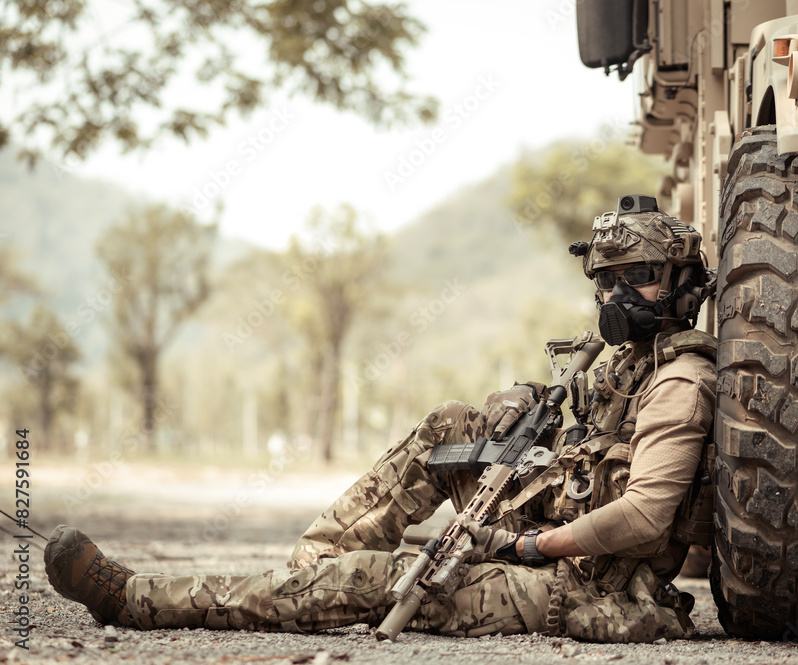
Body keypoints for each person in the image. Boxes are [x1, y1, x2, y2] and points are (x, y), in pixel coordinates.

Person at [44, 194, 717, 643]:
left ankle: (136, 597)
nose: (613, 296)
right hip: (543, 532)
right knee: (453, 424)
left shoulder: (681, 382)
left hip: (577, 581)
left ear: (681, 285)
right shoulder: (625, 362)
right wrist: (516, 409)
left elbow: (644, 517)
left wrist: (525, 547)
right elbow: (577, 454)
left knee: (375, 581)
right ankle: (311, 564)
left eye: (635, 277)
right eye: (604, 280)